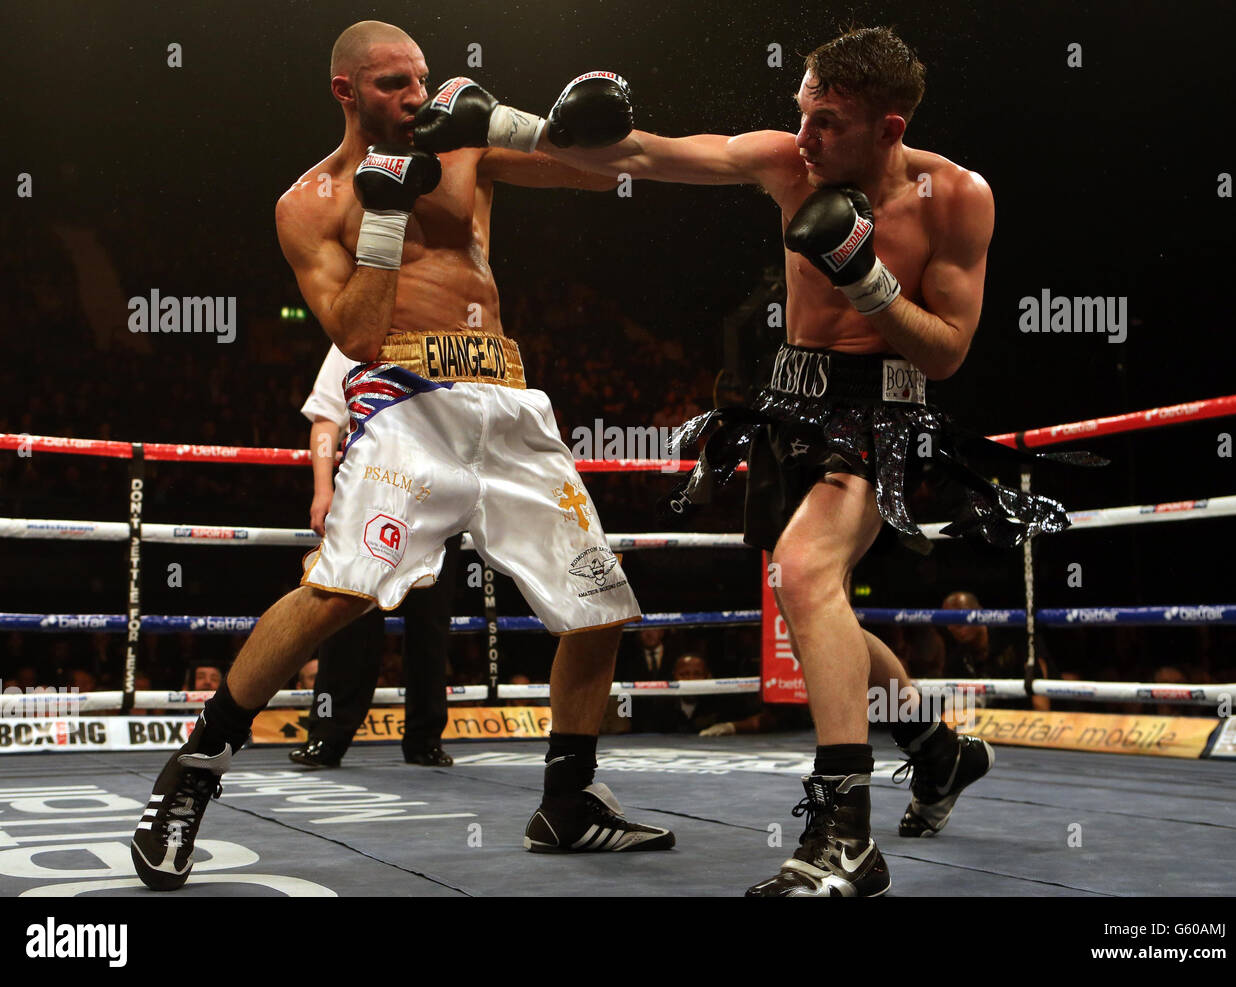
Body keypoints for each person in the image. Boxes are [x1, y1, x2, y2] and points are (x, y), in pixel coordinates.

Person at [425, 26, 1101, 895]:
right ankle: (938, 750)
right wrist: (510, 124)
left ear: (889, 129)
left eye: (829, 123)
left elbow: (944, 354)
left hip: (881, 414)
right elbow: (644, 152)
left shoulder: (957, 198)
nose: (806, 137)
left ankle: (845, 835)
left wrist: (868, 280)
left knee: (806, 572)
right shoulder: (789, 164)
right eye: (803, 114)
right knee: (820, 606)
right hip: (790, 410)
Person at [131, 20, 674, 893]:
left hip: (506, 398)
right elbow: (355, 331)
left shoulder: (463, 148)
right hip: (405, 404)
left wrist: (556, 121)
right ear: (346, 91)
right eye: (392, 85)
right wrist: (383, 215)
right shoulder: (308, 202)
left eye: (421, 80)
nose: (416, 98)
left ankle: (569, 800)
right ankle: (191, 775)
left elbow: (596, 166)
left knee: (599, 604)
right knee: (337, 594)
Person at [288, 343, 460, 769]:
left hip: (437, 491)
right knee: (347, 611)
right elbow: (328, 417)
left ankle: (425, 738)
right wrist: (323, 489)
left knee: (430, 619)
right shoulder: (355, 332)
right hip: (367, 490)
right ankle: (328, 737)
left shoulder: (446, 328)